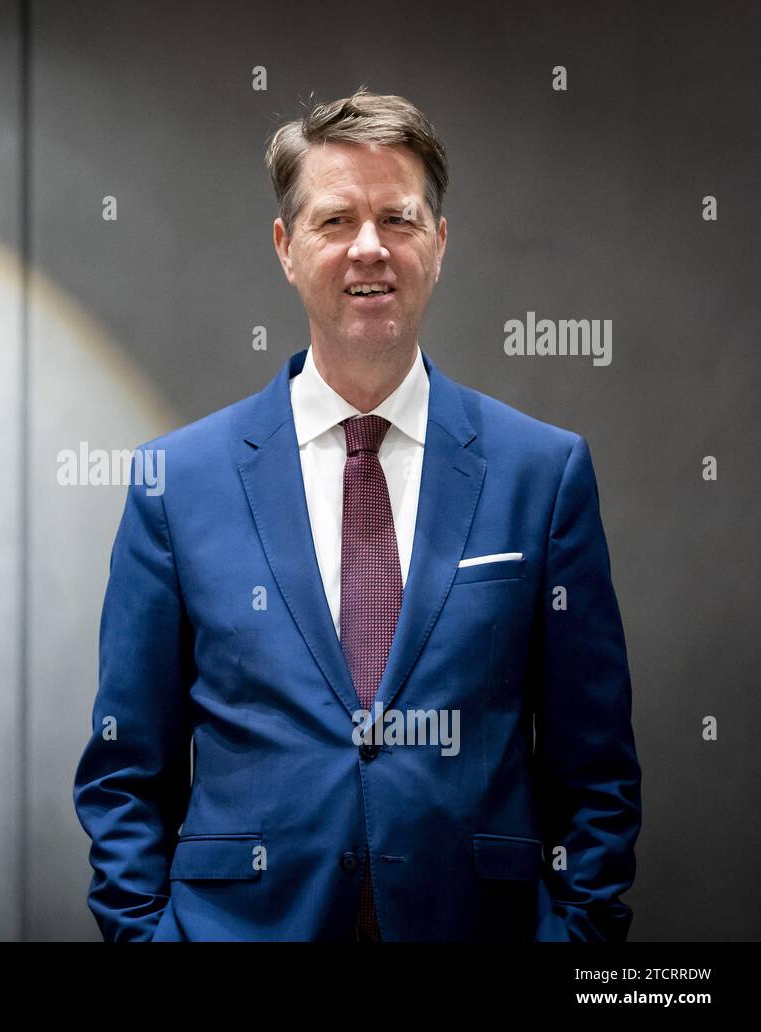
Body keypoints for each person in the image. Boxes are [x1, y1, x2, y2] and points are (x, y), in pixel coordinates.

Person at [72, 89, 641, 941]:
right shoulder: (175, 482)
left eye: (399, 220)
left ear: (439, 244)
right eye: (336, 220)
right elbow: (126, 771)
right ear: (286, 247)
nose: (369, 247)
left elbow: (595, 770)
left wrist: (581, 938)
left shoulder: (542, 472)